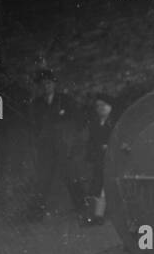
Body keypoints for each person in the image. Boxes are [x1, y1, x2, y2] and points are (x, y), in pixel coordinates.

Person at [27, 69, 76, 219]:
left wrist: (69, 138)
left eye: (48, 83)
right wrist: (39, 139)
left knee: (70, 174)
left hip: (62, 144)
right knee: (43, 178)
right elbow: (34, 125)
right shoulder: (37, 104)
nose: (46, 87)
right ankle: (36, 211)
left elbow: (76, 119)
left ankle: (81, 205)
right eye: (43, 85)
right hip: (46, 146)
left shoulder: (64, 100)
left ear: (54, 84)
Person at [83, 94, 114, 226]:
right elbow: (91, 142)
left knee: (104, 187)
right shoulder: (95, 124)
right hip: (98, 159)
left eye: (104, 105)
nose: (101, 108)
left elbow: (120, 139)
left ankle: (98, 215)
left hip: (112, 158)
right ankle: (92, 216)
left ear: (110, 107)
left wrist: (109, 146)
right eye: (98, 106)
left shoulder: (115, 122)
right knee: (95, 186)